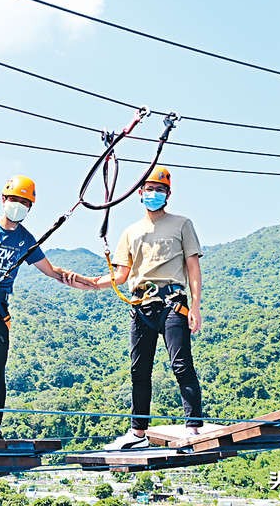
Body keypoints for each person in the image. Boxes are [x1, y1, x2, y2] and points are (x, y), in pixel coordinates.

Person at [71, 166, 204, 448]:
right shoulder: (131, 232)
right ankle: (138, 431)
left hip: (172, 302)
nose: (154, 194)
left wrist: (196, 306)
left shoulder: (182, 224)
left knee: (181, 365)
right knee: (138, 370)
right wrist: (93, 283)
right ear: (140, 193)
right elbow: (121, 275)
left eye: (160, 190)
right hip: (141, 305)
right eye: (149, 189)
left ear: (168, 194)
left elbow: (193, 267)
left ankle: (193, 426)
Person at [0, 175, 89, 439]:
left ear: (30, 208)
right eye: (14, 200)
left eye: (24, 202)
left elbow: (50, 270)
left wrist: (87, 283)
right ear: (3, 199)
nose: (18, 205)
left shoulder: (26, 240)